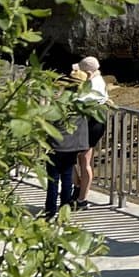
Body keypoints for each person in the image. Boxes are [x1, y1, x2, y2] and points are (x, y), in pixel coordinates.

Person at [71, 55, 109, 209]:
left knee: (81, 161)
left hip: (89, 124)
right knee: (82, 160)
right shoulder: (99, 80)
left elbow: (79, 102)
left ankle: (81, 196)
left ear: (87, 72)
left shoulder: (91, 87)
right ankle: (80, 191)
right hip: (96, 122)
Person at [45, 100, 90, 220]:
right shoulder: (79, 109)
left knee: (53, 181)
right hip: (71, 148)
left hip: (54, 147)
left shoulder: (55, 108)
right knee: (67, 180)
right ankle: (64, 209)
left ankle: (50, 210)